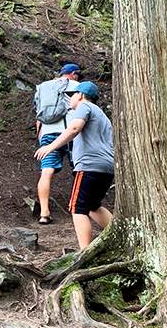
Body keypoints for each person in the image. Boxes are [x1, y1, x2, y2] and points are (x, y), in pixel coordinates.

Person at [34, 80, 113, 249]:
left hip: (89, 166)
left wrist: (50, 146)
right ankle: (123, 237)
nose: (70, 99)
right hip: (106, 168)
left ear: (80, 95)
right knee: (93, 207)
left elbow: (74, 128)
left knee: (78, 208)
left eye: (72, 95)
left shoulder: (85, 107)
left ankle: (85, 253)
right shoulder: (102, 115)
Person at [33, 63, 81, 224]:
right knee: (79, 169)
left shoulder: (44, 88)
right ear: (73, 74)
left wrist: (42, 140)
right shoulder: (76, 86)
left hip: (47, 133)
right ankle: (79, 208)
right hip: (69, 133)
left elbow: (38, 115)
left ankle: (44, 213)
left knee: (46, 172)